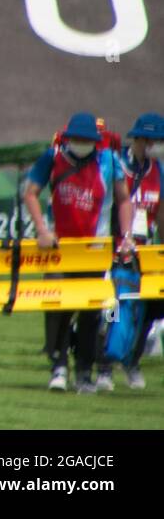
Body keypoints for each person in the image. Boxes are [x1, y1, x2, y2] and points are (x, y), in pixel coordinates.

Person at [22, 112, 134, 394]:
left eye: (86, 140)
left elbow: (123, 200)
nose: (81, 143)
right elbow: (31, 192)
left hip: (94, 250)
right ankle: (58, 366)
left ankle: (85, 370)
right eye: (76, 139)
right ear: (67, 137)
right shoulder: (53, 157)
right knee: (57, 306)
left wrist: (127, 236)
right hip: (58, 249)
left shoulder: (109, 161)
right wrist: (42, 229)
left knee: (91, 313)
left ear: (95, 142)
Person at [103, 112, 164, 391]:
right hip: (114, 251)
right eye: (156, 140)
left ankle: (131, 361)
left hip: (145, 253)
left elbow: (160, 215)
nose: (159, 145)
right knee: (113, 309)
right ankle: (103, 366)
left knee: (148, 308)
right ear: (141, 138)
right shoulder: (118, 165)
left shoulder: (158, 171)